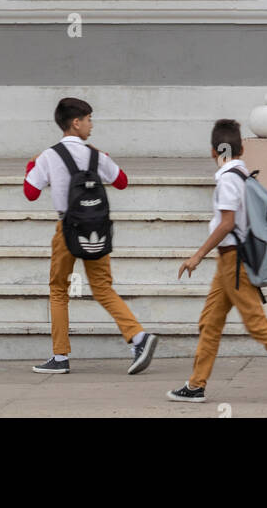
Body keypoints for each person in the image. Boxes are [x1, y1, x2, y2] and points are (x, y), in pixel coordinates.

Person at [167, 118, 267, 405]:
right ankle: (196, 384)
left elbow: (226, 224)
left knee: (255, 323)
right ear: (240, 148)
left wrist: (197, 255)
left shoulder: (228, 179)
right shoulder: (241, 173)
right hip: (230, 262)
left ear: (215, 151)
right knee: (210, 322)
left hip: (233, 262)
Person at [23, 96, 158, 376]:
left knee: (59, 290)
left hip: (66, 231)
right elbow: (122, 182)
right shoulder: (96, 155)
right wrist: (101, 156)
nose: (91, 126)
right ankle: (138, 337)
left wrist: (31, 165)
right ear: (76, 122)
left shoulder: (49, 156)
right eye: (89, 120)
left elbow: (30, 193)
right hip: (95, 229)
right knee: (103, 288)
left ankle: (60, 357)